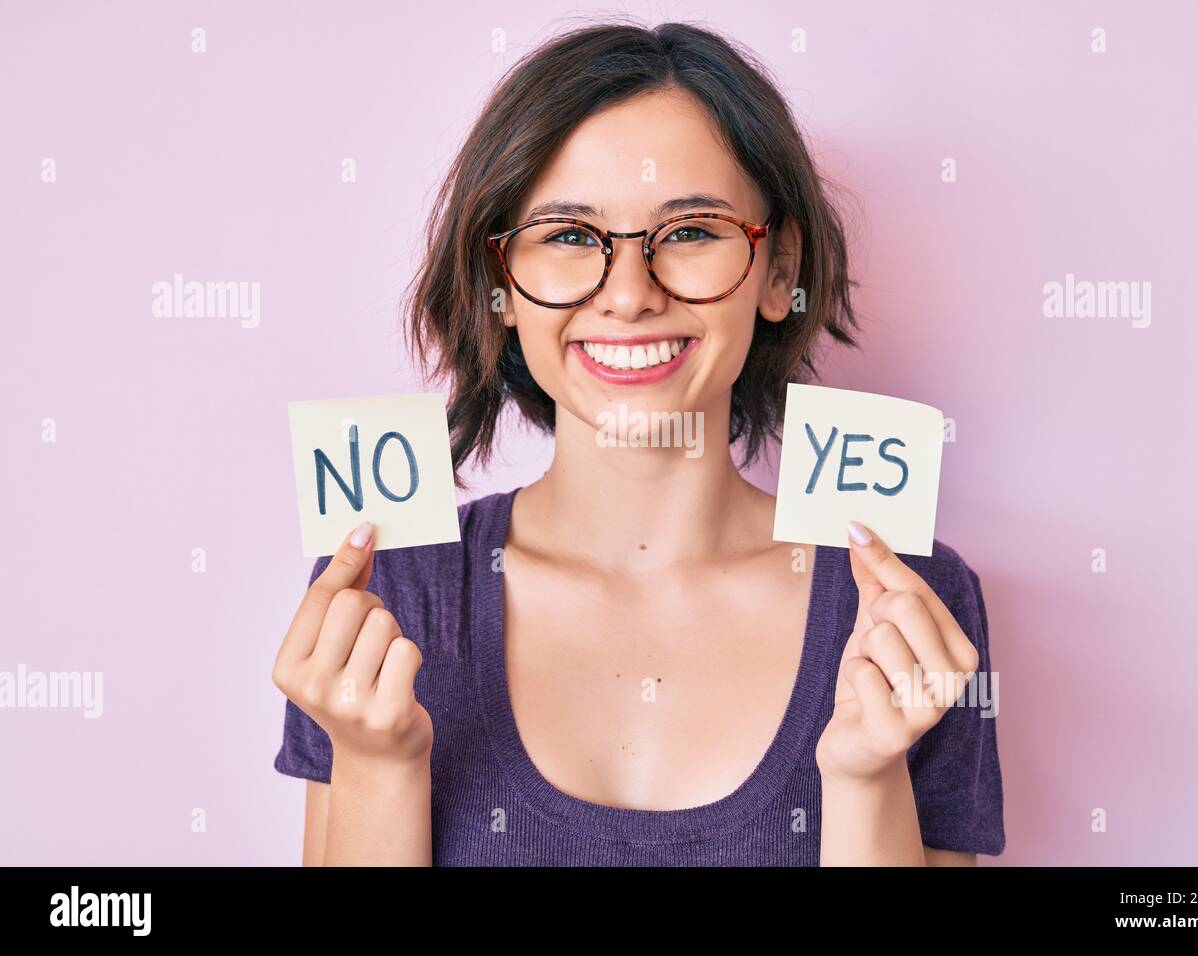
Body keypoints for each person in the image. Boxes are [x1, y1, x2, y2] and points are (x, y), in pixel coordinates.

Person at [272, 19, 1005, 866]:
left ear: (779, 271)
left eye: (691, 231)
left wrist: (865, 779)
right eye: (570, 237)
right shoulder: (385, 591)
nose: (628, 295)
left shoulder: (912, 605)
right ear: (499, 283)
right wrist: (378, 764)